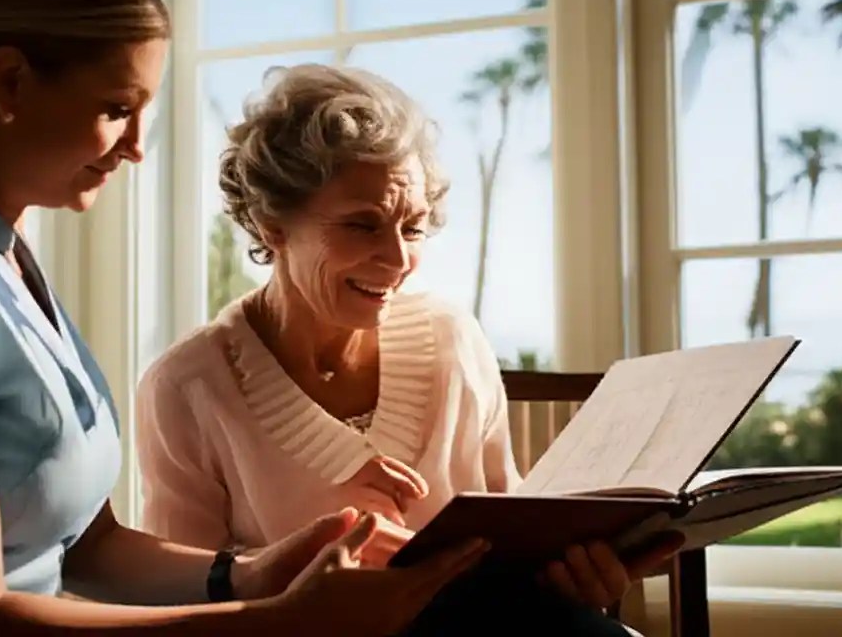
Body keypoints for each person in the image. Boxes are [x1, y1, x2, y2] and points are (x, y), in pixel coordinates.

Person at [0, 0, 491, 635]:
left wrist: (254, 572)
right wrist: (281, 622)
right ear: (10, 81)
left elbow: (88, 544)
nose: (137, 148)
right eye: (117, 109)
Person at [135, 63, 683, 635]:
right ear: (273, 226)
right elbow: (187, 604)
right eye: (362, 226)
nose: (398, 261)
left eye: (413, 228)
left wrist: (577, 579)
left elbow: (516, 524)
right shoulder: (187, 386)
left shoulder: (453, 339)